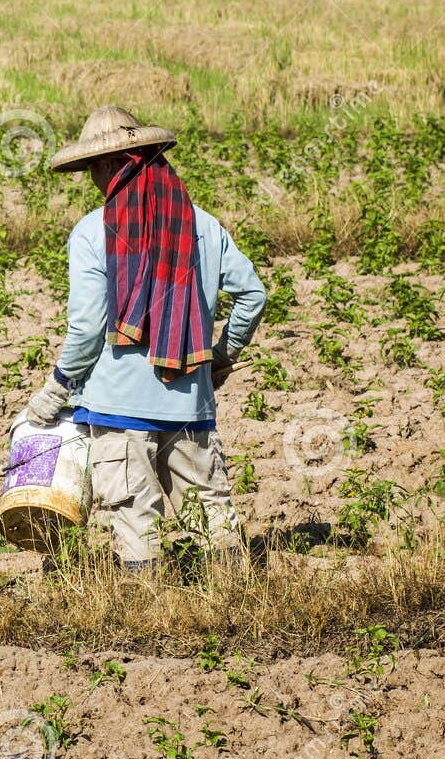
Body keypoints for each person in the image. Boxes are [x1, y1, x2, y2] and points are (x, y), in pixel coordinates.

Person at [21, 106, 266, 571]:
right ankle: (235, 599)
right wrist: (220, 356)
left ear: (116, 164)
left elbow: (88, 329)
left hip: (117, 410)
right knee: (211, 513)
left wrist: (54, 391)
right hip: (191, 403)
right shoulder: (202, 224)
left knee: (134, 517)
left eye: (94, 167)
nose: (92, 178)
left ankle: (146, 608)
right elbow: (253, 294)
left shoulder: (93, 232)